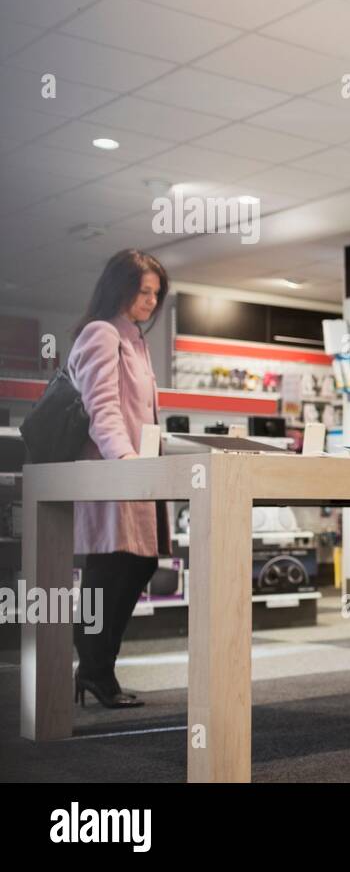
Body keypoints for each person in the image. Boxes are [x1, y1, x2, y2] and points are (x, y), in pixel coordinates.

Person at [66, 248, 171, 708]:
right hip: (116, 473)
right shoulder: (100, 334)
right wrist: (126, 460)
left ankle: (96, 669)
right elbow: (102, 409)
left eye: (155, 292)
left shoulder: (134, 340)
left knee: (134, 565)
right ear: (119, 287)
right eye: (142, 290)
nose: (149, 300)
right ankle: (94, 671)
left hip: (137, 473)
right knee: (110, 570)